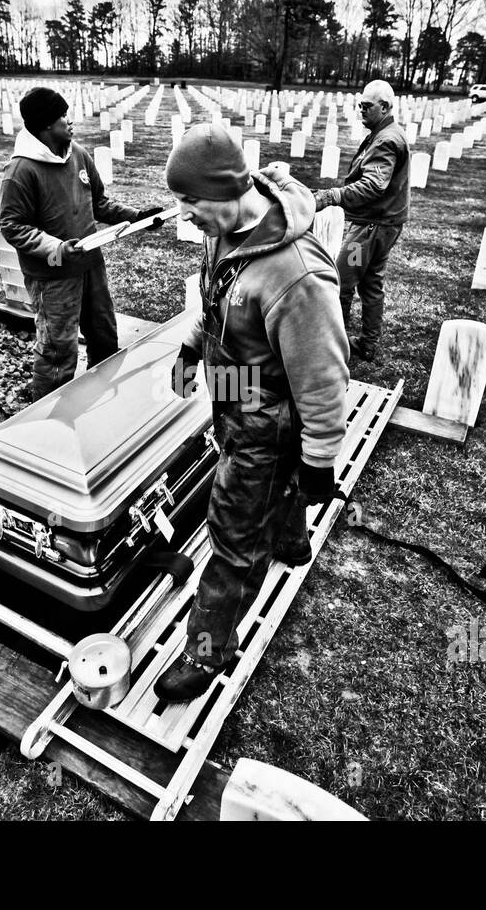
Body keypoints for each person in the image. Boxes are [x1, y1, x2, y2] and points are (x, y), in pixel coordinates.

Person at [155, 124, 350, 702]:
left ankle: (208, 650)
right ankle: (291, 540)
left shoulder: (297, 275)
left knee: (233, 536)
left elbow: (323, 379)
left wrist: (318, 459)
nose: (183, 212)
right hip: (238, 396)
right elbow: (217, 299)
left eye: (189, 200)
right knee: (268, 495)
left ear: (225, 189)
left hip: (269, 419)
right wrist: (194, 343)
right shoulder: (225, 231)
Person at [0, 86, 165, 400]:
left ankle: (102, 401)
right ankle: (50, 415)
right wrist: (56, 248)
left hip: (90, 265)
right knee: (58, 350)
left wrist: (138, 216)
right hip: (54, 278)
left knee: (104, 336)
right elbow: (13, 225)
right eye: (62, 117)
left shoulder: (78, 155)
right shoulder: (21, 171)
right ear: (46, 126)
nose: (69, 122)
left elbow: (99, 202)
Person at [313, 79, 411, 363]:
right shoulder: (387, 132)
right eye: (360, 105)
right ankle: (367, 344)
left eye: (367, 106)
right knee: (371, 283)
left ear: (385, 107)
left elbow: (373, 186)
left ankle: (336, 346)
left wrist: (331, 196)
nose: (361, 110)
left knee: (341, 282)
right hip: (384, 225)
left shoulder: (386, 140)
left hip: (370, 229)